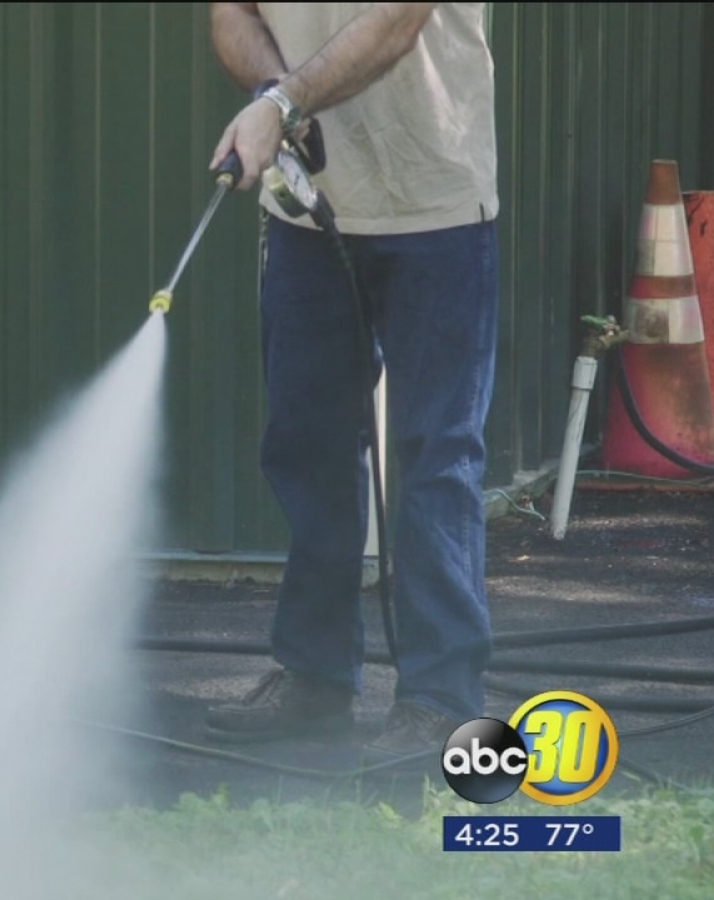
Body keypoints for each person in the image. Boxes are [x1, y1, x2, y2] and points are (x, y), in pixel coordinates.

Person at [200, 2, 500, 761]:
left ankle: (439, 698)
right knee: (308, 449)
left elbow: (397, 22)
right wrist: (276, 90)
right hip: (307, 213)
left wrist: (279, 103)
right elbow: (231, 13)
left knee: (437, 455)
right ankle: (315, 676)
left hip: (436, 208)